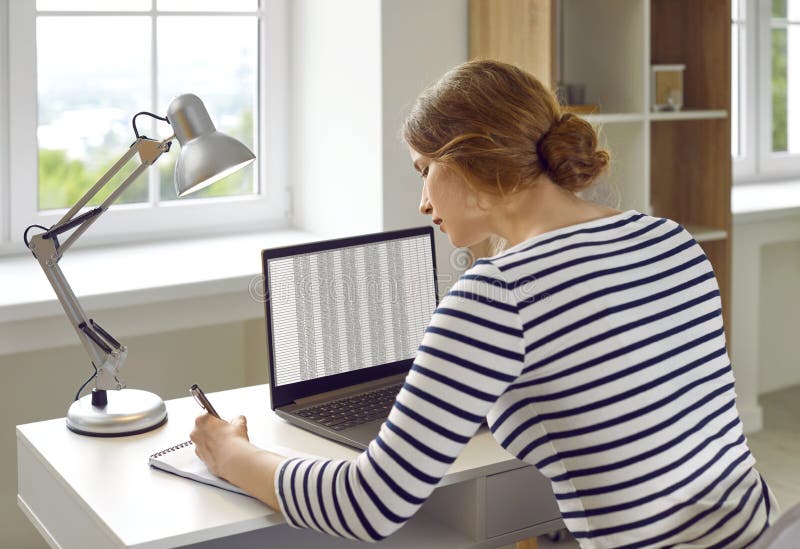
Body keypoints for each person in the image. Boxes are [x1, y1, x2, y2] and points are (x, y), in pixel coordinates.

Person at [191, 59, 778, 547]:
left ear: (467, 159)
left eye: (424, 170)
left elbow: (367, 504)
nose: (423, 201)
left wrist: (229, 453)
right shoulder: (669, 238)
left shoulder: (499, 293)